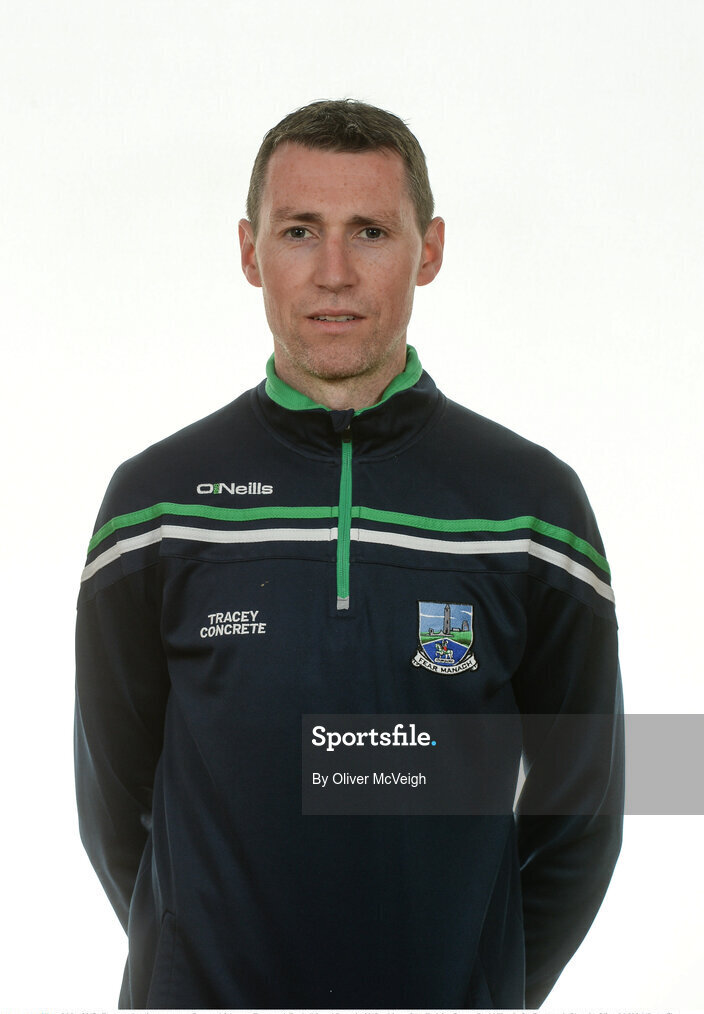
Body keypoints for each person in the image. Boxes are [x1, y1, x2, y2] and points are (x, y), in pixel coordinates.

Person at [75, 98, 624, 1009]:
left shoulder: (534, 507)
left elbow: (586, 810)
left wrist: (483, 987)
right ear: (251, 252)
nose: (334, 272)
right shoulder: (154, 506)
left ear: (430, 249)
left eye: (370, 231)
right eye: (300, 231)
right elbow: (113, 804)